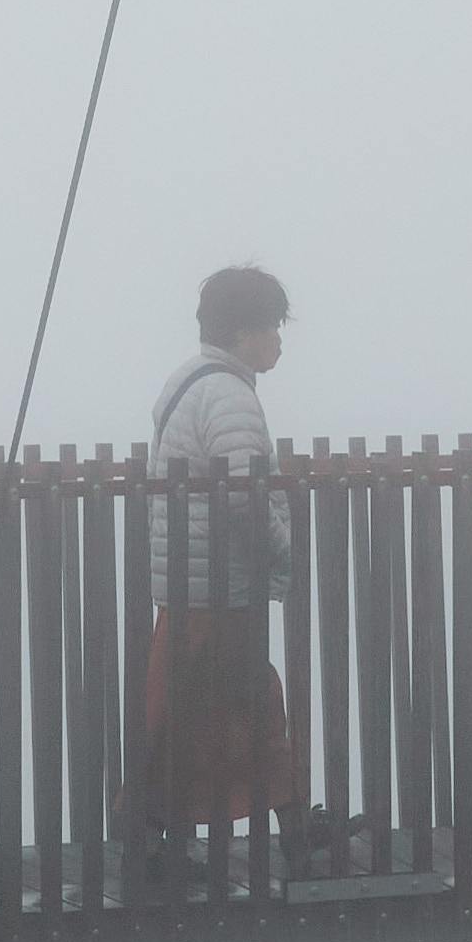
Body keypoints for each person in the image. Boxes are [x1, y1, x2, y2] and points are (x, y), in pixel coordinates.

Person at [138, 262, 326, 857]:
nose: (278, 340)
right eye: (271, 326)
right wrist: (282, 546)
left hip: (191, 582)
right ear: (243, 332)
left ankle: (169, 838)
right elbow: (243, 492)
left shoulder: (189, 383)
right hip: (216, 586)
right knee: (225, 708)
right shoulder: (228, 394)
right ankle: (159, 841)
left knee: (215, 707)